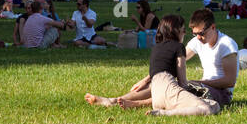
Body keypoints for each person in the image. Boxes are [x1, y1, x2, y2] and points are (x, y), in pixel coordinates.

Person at [85, 14, 221, 116]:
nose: (185, 33)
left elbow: (160, 68)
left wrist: (144, 80)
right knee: (208, 108)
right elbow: (183, 81)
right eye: (183, 30)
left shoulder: (157, 48)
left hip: (156, 92)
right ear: (176, 31)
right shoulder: (179, 47)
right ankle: (163, 114)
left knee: (212, 105)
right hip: (168, 89)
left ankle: (119, 102)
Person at [184, 8, 239, 106]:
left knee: (184, 93)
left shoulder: (227, 45)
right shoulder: (197, 41)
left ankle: (151, 103)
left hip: (222, 93)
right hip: (203, 87)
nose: (198, 37)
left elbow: (230, 81)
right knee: (172, 87)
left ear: (213, 27)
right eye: (195, 34)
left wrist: (199, 82)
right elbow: (180, 58)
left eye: (201, 33)